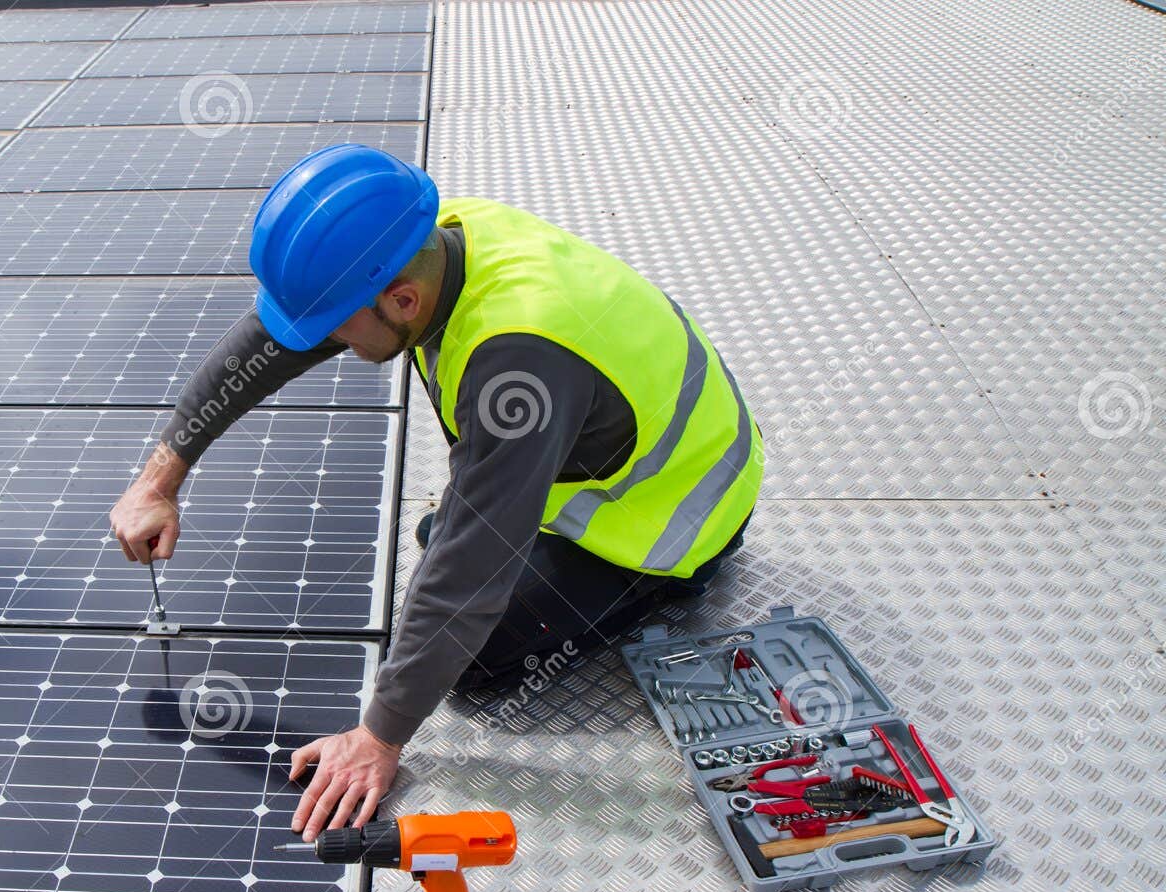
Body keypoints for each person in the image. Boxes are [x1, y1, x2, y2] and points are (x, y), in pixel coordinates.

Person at [110, 145, 763, 842]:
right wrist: (161, 477)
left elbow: (474, 565)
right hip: (617, 444)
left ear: (402, 301)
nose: (328, 341)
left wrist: (378, 735)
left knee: (471, 656)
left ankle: (663, 586)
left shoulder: (517, 358)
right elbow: (274, 341)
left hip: (675, 517)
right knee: (445, 566)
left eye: (336, 325)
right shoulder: (431, 239)